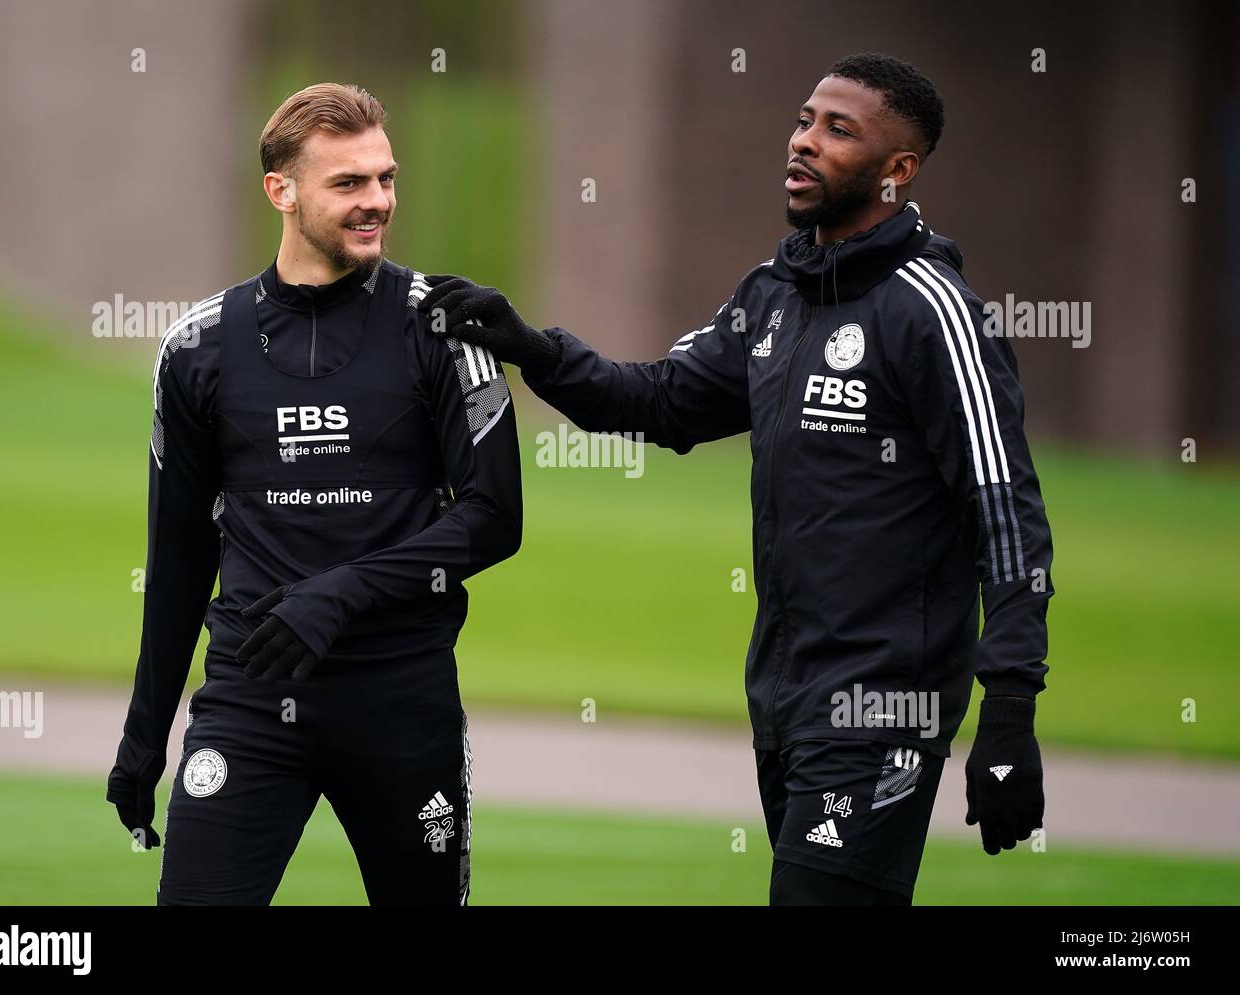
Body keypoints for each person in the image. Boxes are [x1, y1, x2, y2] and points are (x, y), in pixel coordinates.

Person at [420, 53, 1053, 906]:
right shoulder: (776, 294)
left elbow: (1004, 509)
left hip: (881, 706)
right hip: (784, 693)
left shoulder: (932, 311)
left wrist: (1009, 707)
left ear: (898, 170)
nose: (803, 142)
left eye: (838, 131)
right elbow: (660, 401)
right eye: (803, 121)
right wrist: (532, 347)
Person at [106, 82, 522, 906]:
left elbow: (494, 518)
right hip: (250, 703)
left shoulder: (443, 324)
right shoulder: (196, 348)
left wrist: (340, 593)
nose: (377, 202)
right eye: (350, 184)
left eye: (386, 179)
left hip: (403, 703)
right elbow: (180, 553)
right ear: (281, 190)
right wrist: (144, 736)